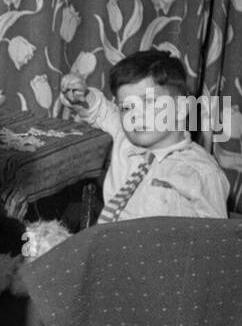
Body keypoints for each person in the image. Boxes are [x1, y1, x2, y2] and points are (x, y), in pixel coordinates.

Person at [59, 49, 230, 221]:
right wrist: (82, 97)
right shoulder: (125, 135)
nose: (135, 115)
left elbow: (216, 238)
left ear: (180, 109)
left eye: (149, 102)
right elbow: (101, 110)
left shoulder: (202, 172)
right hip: (109, 241)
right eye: (126, 107)